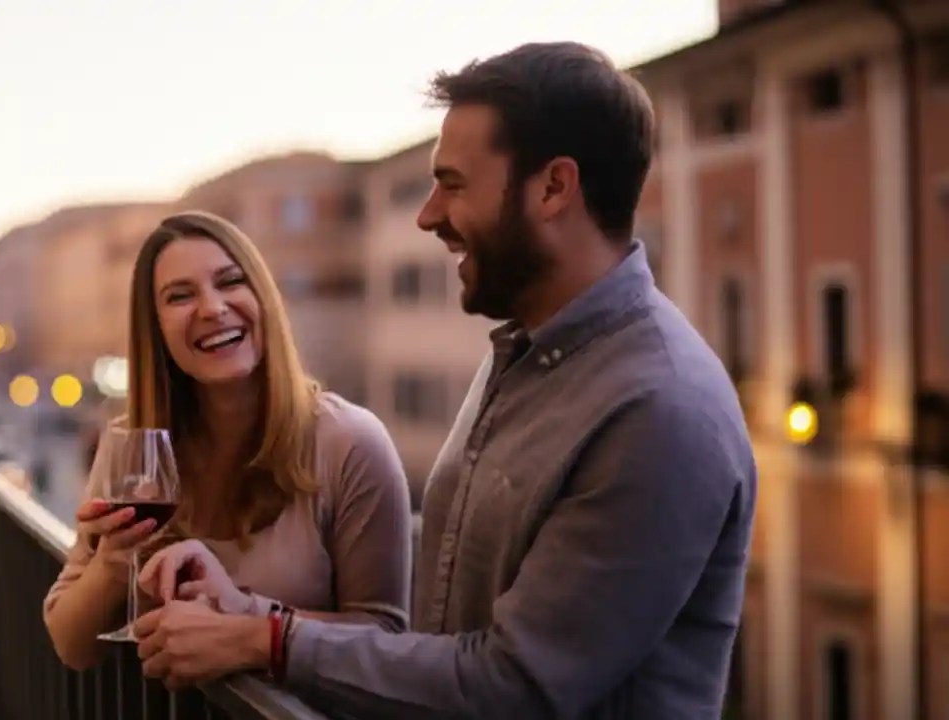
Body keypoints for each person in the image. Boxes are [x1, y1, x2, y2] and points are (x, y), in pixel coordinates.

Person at [132, 42, 757, 719]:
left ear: (553, 187)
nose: (428, 215)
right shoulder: (521, 353)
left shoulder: (657, 410)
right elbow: (447, 624)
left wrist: (265, 639)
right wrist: (247, 610)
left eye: (453, 184)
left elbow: (512, 685)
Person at [43, 211, 412, 670]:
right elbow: (70, 645)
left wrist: (243, 614)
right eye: (180, 296)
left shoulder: (351, 441)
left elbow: (386, 640)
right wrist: (113, 564)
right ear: (154, 328)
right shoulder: (132, 450)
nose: (213, 308)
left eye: (230, 282)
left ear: (264, 298)